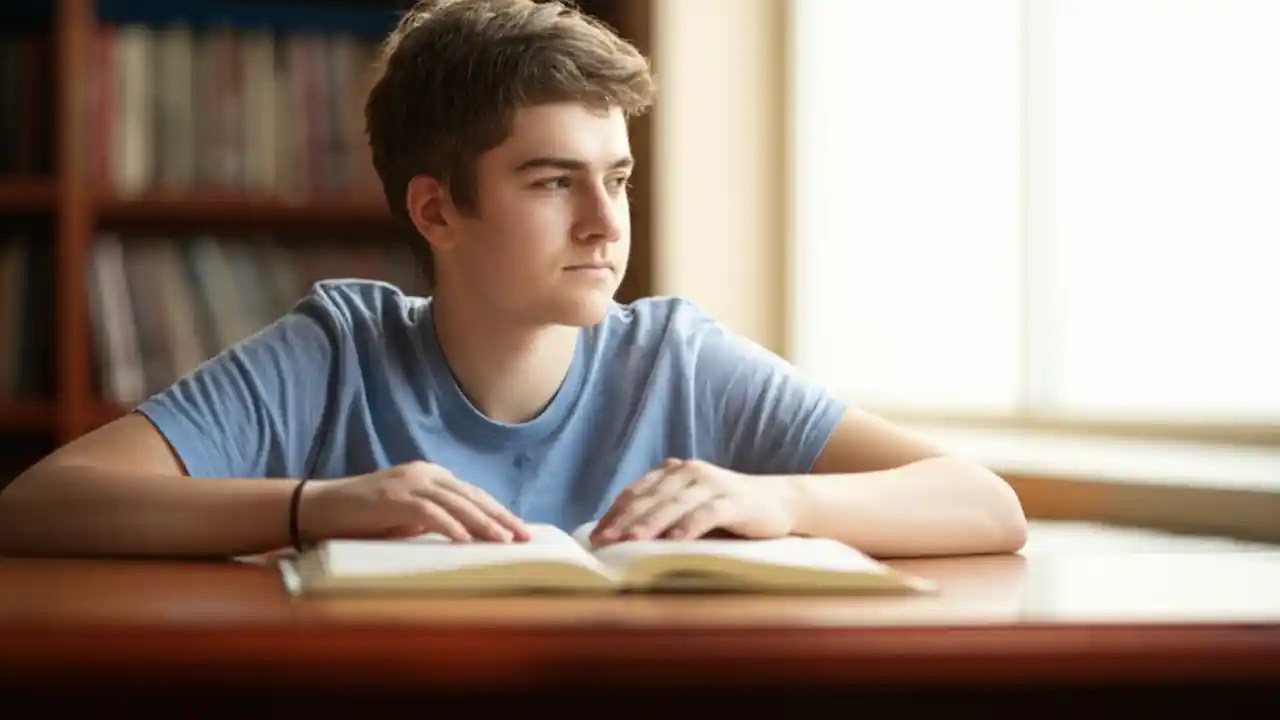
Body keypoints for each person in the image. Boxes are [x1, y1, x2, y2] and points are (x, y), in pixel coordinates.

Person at [0, 0, 1025, 559]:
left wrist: (778, 499)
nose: (604, 219)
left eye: (616, 177)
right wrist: (313, 505)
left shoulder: (674, 355)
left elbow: (982, 506)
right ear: (436, 209)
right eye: (551, 181)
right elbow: (38, 507)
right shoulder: (335, 350)